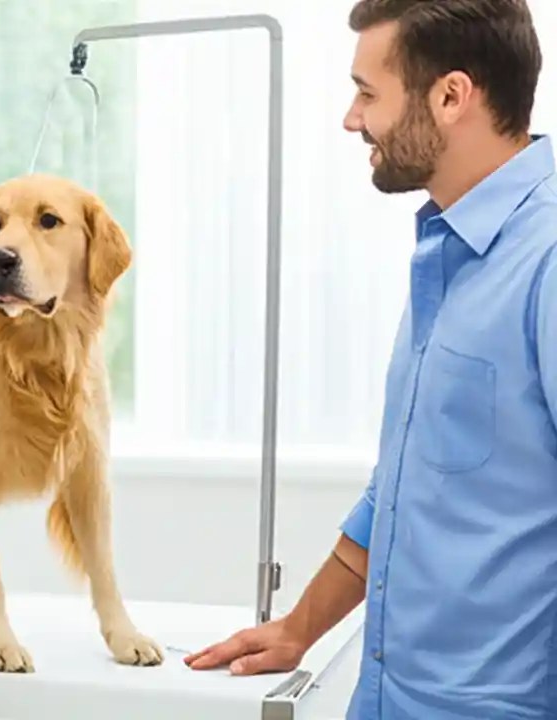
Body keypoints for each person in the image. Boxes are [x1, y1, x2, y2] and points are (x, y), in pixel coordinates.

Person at [184, 1, 556, 718]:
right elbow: (406, 490)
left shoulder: (545, 260)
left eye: (367, 92)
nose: (353, 120)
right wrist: (300, 629)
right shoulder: (447, 254)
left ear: (451, 96)